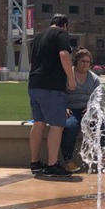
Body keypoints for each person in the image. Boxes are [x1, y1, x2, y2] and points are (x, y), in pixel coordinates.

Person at [28, 13, 76, 177]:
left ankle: (35, 163)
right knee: (57, 125)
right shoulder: (61, 34)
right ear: (65, 25)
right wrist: (71, 79)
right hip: (52, 87)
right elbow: (64, 55)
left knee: (39, 122)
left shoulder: (38, 37)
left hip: (34, 84)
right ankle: (52, 165)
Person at [60, 48, 101, 173]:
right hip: (71, 110)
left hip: (87, 110)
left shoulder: (94, 78)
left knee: (103, 123)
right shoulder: (68, 75)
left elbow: (98, 97)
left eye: (88, 62)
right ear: (76, 61)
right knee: (70, 126)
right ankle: (68, 161)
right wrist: (64, 107)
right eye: (82, 61)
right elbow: (59, 94)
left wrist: (91, 108)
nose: (85, 64)